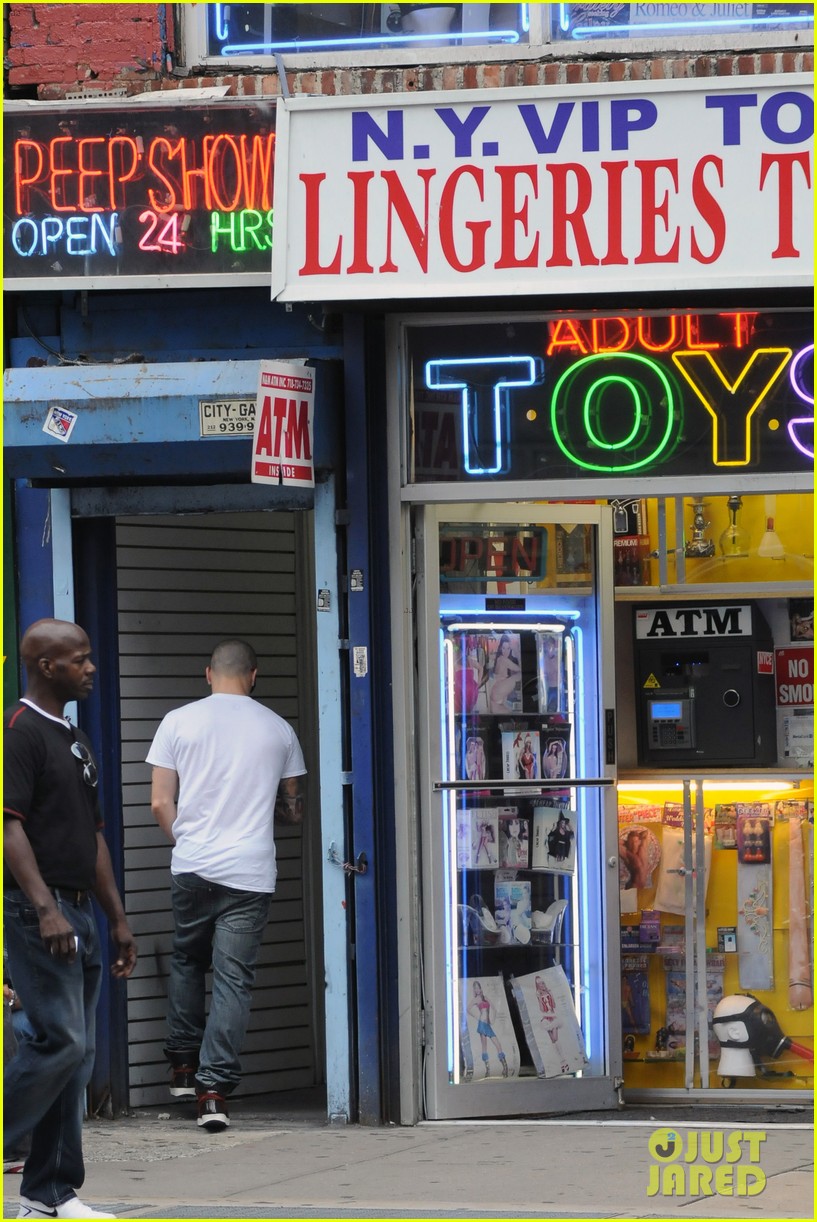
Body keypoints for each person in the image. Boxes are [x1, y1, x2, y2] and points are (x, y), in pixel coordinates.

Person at [4, 618, 138, 1220]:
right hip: (42, 910)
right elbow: (8, 826)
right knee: (60, 1041)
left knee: (77, 1059)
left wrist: (118, 918)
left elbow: (95, 837)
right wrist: (45, 908)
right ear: (46, 667)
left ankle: (50, 1193)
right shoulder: (20, 733)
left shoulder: (76, 739)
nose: (90, 668)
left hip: (81, 909)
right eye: (79, 660)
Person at [147, 639, 307, 1133]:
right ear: (254, 676)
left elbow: (159, 803)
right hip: (250, 873)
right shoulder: (279, 730)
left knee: (188, 959)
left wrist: (190, 841)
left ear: (208, 673)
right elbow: (293, 810)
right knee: (234, 979)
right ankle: (212, 1093)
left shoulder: (177, 721)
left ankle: (182, 1065)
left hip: (192, 866)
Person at [468, 981, 508, 1078]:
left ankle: (505, 1066)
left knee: (497, 1043)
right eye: (475, 988)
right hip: (482, 1024)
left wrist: (492, 1019)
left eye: (478, 987)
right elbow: (468, 1009)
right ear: (474, 990)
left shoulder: (485, 998)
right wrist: (477, 1016)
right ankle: (488, 1069)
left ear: (480, 988)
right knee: (484, 1046)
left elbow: (493, 1008)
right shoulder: (476, 999)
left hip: (487, 1024)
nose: (477, 989)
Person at [488, 635, 521, 713]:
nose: (506, 651)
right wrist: (516, 650)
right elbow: (521, 670)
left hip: (498, 697)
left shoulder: (499, 658)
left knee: (510, 717)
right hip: (498, 692)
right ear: (500, 648)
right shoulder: (503, 659)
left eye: (508, 648)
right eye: (503, 648)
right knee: (520, 675)